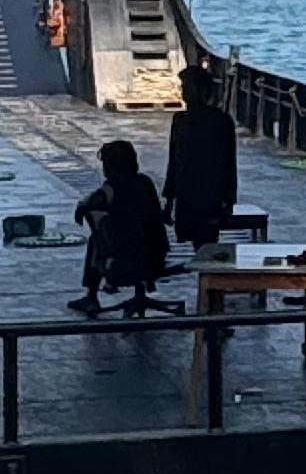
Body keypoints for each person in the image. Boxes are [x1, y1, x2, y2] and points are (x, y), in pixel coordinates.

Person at [70, 138, 171, 316]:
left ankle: (91, 297)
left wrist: (83, 208)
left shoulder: (113, 187)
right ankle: (138, 291)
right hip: (156, 256)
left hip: (125, 260)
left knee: (96, 238)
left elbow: (91, 203)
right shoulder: (145, 182)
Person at [163, 62, 238, 255]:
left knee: (206, 240)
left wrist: (229, 200)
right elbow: (173, 162)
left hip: (208, 193)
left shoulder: (219, 122)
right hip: (190, 192)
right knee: (200, 241)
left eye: (187, 88)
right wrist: (169, 201)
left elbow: (229, 164)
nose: (184, 93)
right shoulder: (182, 120)